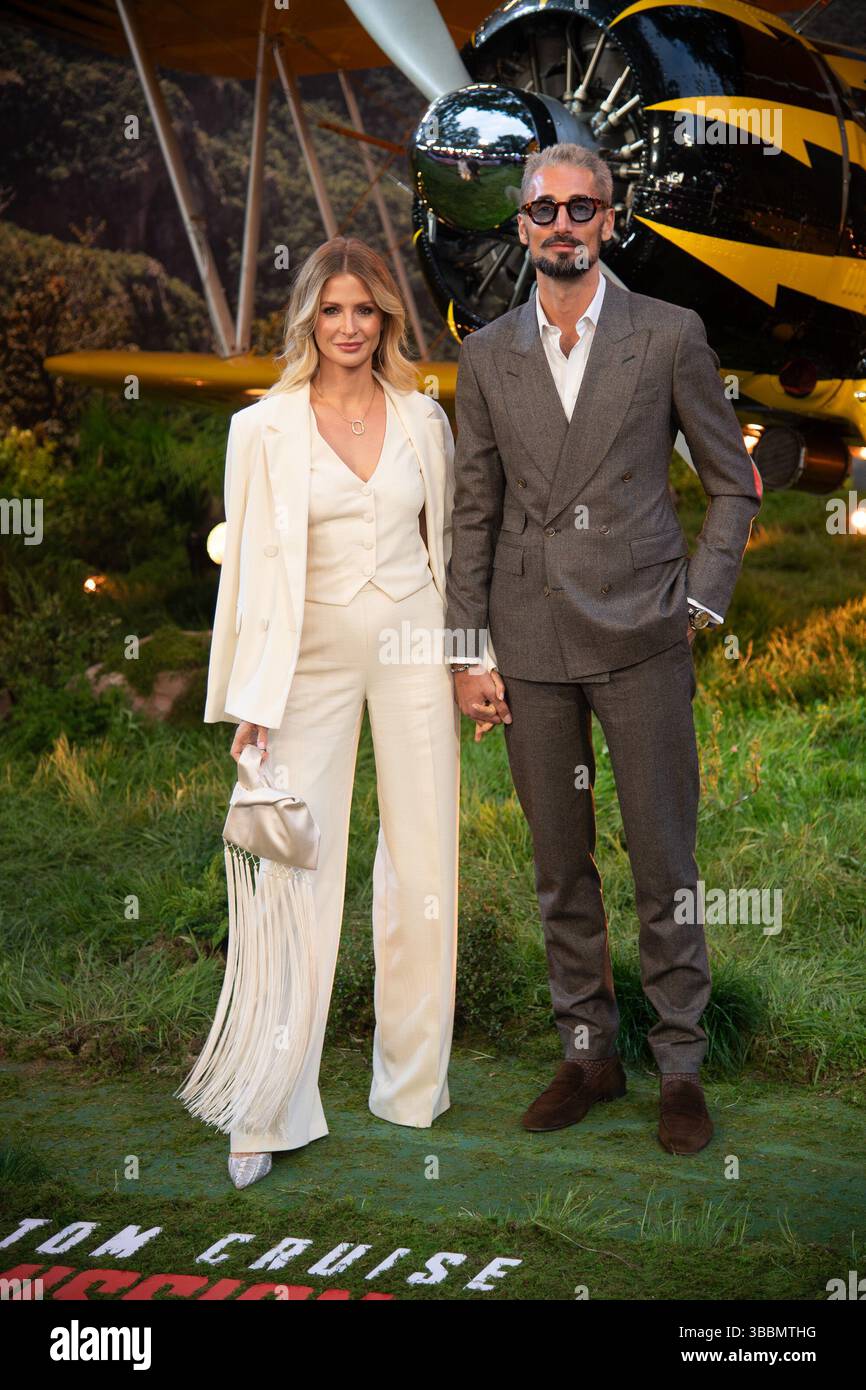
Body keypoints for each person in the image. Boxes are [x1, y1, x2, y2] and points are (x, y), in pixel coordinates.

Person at [444, 142, 762, 1155]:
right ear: (522, 225)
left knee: (663, 861)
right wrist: (466, 651)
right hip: (529, 641)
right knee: (556, 867)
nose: (564, 223)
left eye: (584, 207)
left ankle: (678, 1064)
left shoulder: (668, 335)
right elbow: (471, 512)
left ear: (609, 221)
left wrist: (698, 603)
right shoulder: (487, 351)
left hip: (641, 639)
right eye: (546, 208)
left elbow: (731, 483)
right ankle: (587, 1052)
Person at [200, 236, 496, 1189]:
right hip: (305, 659)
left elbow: (452, 558)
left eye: (365, 310)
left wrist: (468, 662)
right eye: (331, 310)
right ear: (308, 322)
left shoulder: (424, 420)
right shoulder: (262, 429)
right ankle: (267, 1103)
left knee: (423, 861)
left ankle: (411, 1088)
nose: (349, 327)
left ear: (387, 321)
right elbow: (244, 573)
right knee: (293, 866)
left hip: (414, 644)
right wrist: (250, 699)